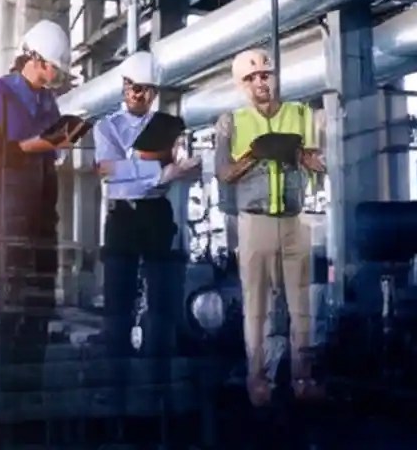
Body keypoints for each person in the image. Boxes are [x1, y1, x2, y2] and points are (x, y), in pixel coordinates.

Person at [0, 18, 82, 396]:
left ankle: (29, 389)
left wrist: (56, 148)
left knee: (41, 298)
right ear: (33, 58)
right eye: (53, 67)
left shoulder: (48, 100)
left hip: (42, 205)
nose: (55, 75)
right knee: (13, 295)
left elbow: (48, 148)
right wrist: (30, 147)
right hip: (10, 202)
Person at [213, 47, 327, 407]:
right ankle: (258, 380)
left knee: (301, 304)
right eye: (252, 78)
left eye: (266, 74)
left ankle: (303, 378)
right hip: (255, 221)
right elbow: (223, 173)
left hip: (295, 218)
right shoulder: (230, 122)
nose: (261, 82)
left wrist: (300, 156)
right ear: (241, 85)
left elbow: (323, 165)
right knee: (257, 305)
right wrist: (255, 154)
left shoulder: (301, 114)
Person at [93, 51, 201, 359]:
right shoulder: (108, 127)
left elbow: (182, 167)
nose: (140, 95)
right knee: (118, 305)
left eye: (147, 90)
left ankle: (158, 383)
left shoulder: (169, 125)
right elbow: (109, 171)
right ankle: (117, 383)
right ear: (125, 87)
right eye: (135, 88)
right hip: (124, 217)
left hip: (156, 214)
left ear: (154, 93)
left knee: (163, 304)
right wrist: (160, 172)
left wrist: (169, 169)